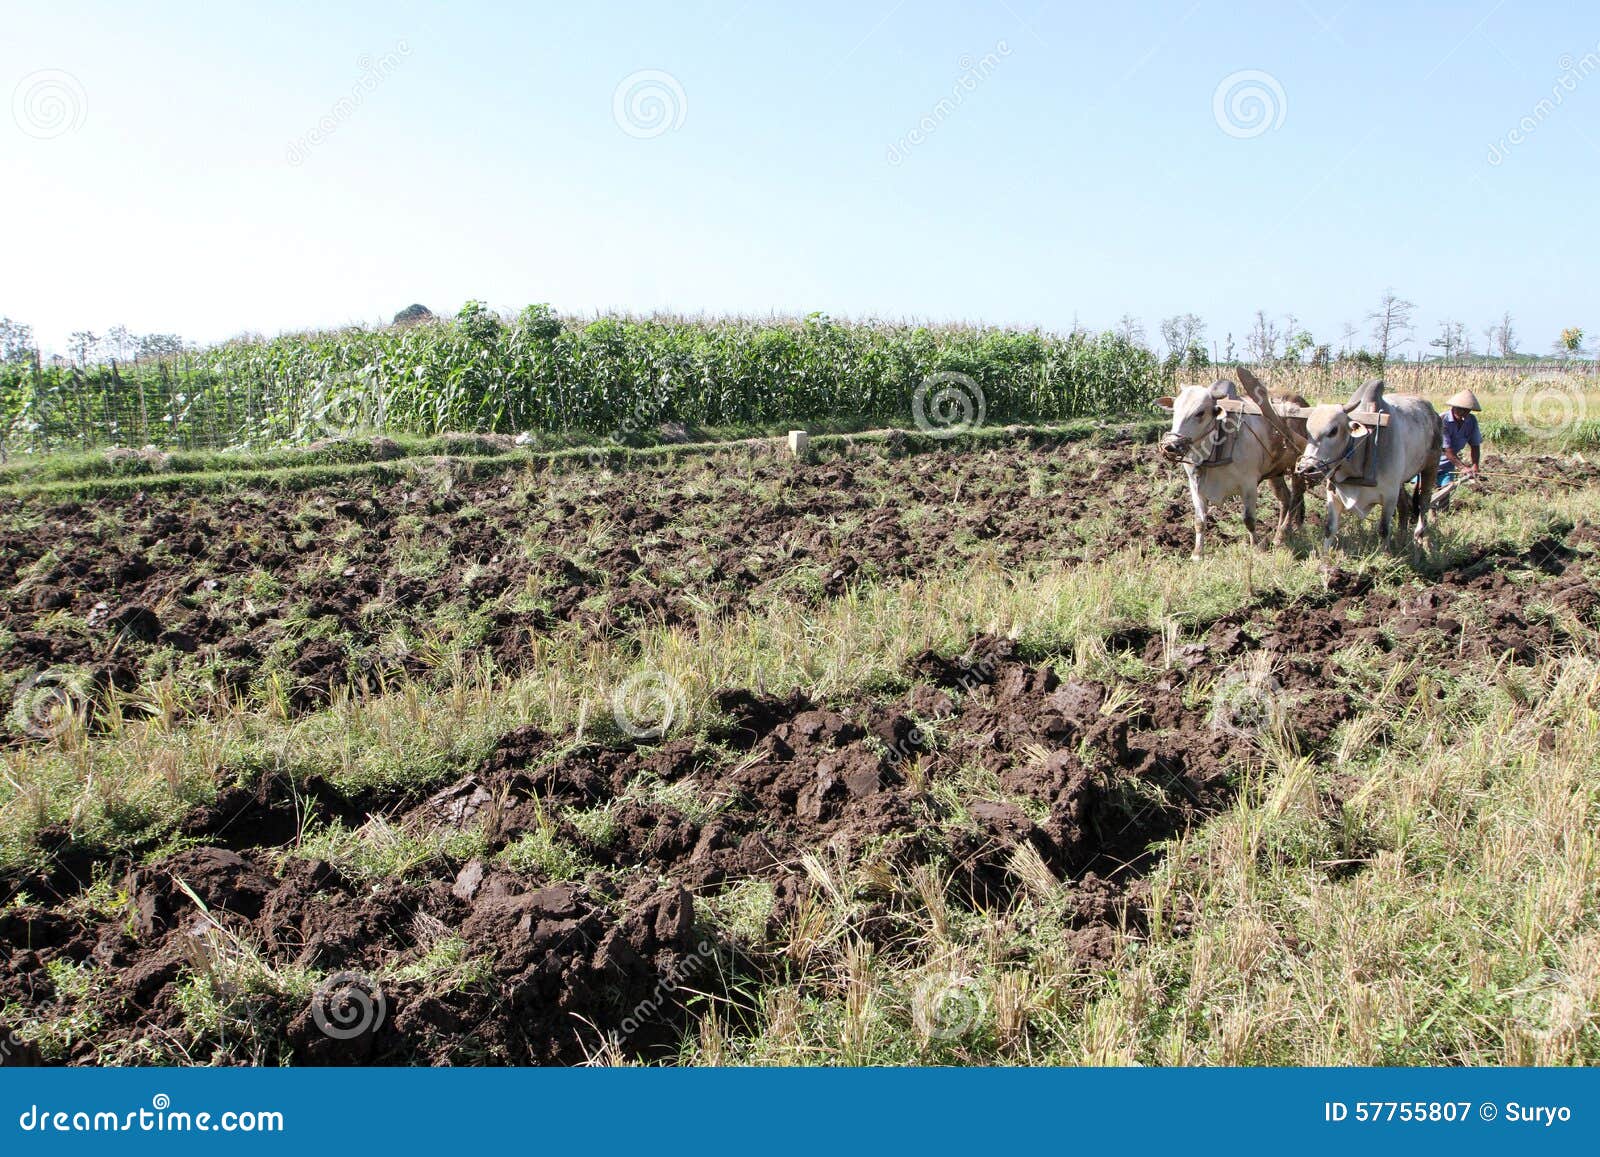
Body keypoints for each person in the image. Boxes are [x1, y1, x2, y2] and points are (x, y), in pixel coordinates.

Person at [1435, 388, 1482, 507]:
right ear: (1454, 407)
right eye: (1461, 409)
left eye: (1467, 410)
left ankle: (1442, 516)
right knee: (1423, 492)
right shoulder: (1443, 420)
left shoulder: (1471, 421)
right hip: (1429, 461)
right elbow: (1446, 449)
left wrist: (1475, 465)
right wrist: (1462, 467)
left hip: (1447, 465)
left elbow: (1475, 444)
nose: (1464, 413)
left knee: (1446, 490)